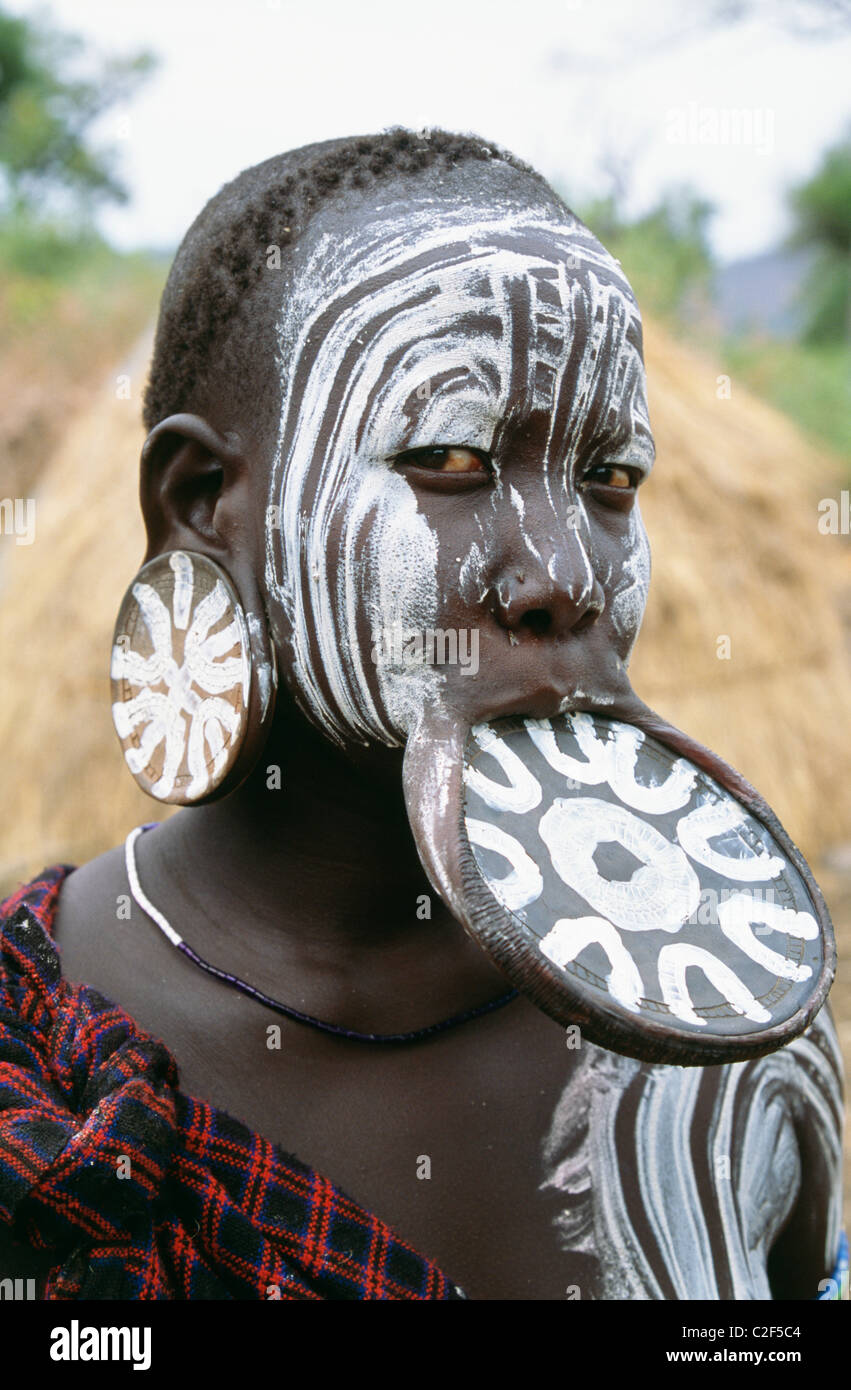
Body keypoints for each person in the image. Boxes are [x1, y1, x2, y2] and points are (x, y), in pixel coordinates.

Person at [0, 127, 844, 1301]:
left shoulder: (729, 1058)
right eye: (448, 456)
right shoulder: (30, 1054)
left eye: (608, 480)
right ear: (200, 504)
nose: (563, 573)